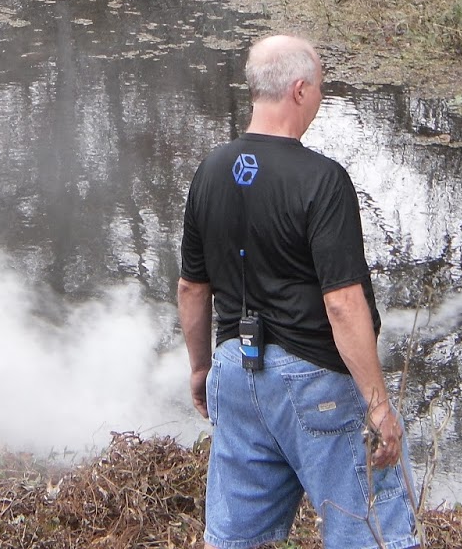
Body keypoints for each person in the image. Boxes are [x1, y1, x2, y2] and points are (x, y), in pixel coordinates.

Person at [177, 34, 417, 549]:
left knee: (236, 540)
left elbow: (192, 289)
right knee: (371, 534)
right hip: (316, 386)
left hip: (235, 377)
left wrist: (201, 369)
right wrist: (378, 406)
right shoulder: (322, 180)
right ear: (300, 90)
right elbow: (342, 303)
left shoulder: (209, 173)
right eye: (321, 89)